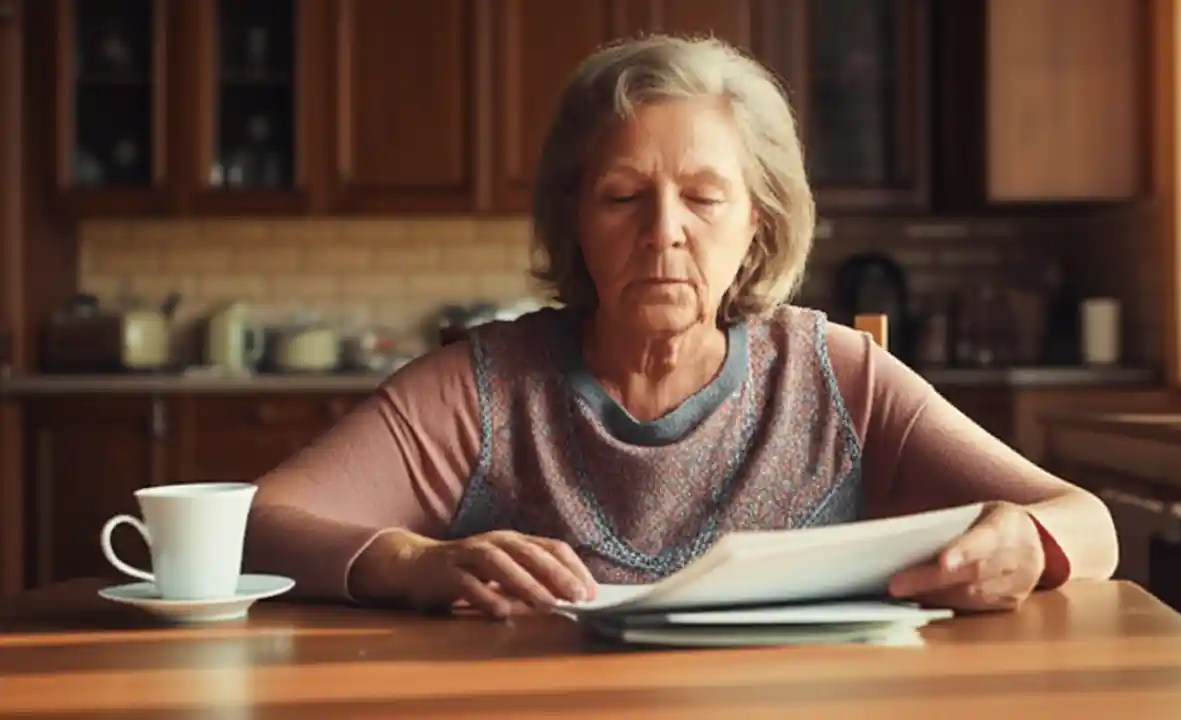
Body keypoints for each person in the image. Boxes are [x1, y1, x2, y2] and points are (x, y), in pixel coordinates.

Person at [243, 35, 1117, 620]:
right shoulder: (484, 386)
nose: (664, 230)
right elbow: (261, 520)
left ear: (758, 227)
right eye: (624, 197)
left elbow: (1089, 524)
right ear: (574, 220)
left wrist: (1029, 546)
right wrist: (408, 563)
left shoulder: (838, 375)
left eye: (704, 198)